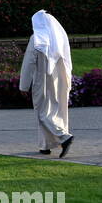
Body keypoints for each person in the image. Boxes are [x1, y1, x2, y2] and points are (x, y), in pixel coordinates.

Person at [19, 10, 75, 157]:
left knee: (43, 113)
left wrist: (24, 85)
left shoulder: (37, 40)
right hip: (60, 80)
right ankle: (45, 145)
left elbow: (29, 63)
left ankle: (64, 137)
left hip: (42, 81)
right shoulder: (60, 38)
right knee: (57, 110)